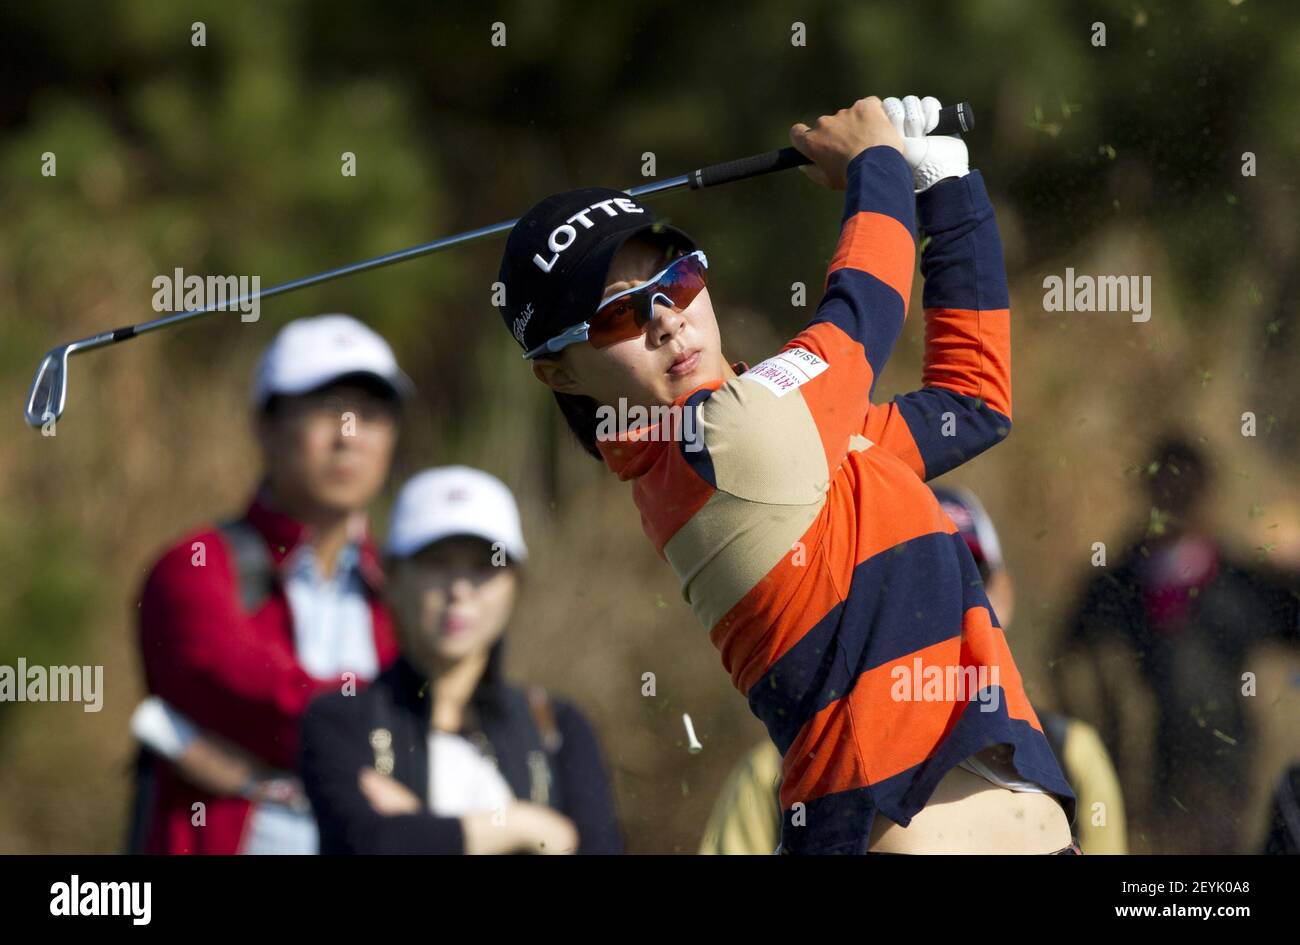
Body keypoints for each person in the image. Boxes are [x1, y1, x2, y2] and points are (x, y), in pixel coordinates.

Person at [495, 94, 1076, 854]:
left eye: (674, 277)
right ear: (561, 377)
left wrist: (946, 185)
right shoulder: (723, 444)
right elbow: (866, 305)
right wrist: (875, 162)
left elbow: (971, 402)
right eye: (616, 316)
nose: (666, 318)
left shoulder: (795, 441)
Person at [699, 486, 1129, 855]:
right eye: (904, 582)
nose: (941, 605)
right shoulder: (769, 773)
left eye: (966, 579)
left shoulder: (1073, 752)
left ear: (1006, 594)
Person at [132, 314, 408, 854]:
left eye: (372, 414)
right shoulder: (194, 565)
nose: (348, 438)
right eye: (326, 409)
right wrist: (411, 723)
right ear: (265, 425)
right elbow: (263, 703)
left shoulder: (404, 582)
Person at [299, 466, 622, 854]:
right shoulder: (340, 720)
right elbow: (367, 842)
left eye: (484, 567)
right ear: (393, 578)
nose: (459, 590)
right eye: (437, 563)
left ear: (515, 585)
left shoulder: (558, 728)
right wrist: (525, 827)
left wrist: (421, 828)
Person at [1060, 434, 1300, 852]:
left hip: (1224, 790)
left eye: (1187, 487)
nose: (1176, 498)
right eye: (1165, 485)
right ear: (1148, 491)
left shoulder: (1241, 584)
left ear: (1206, 493)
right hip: (1133, 789)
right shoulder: (1112, 587)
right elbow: (1069, 668)